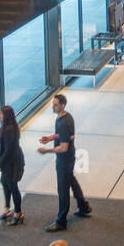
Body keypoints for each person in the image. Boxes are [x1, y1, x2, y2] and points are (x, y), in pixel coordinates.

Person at [38, 94, 91, 232]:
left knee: (63, 190)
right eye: (53, 104)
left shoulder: (63, 122)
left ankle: (61, 221)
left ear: (62, 105)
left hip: (64, 159)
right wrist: (50, 137)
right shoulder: (66, 117)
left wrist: (46, 150)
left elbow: (63, 147)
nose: (53, 107)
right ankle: (84, 206)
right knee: (71, 181)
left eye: (55, 104)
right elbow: (62, 135)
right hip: (69, 158)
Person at [0, 104, 25, 225]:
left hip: (13, 163)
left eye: (0, 113)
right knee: (5, 183)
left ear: (6, 116)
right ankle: (7, 209)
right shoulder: (6, 127)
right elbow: (0, 132)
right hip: (8, 163)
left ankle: (18, 213)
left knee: (13, 186)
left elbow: (8, 152)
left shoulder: (9, 130)